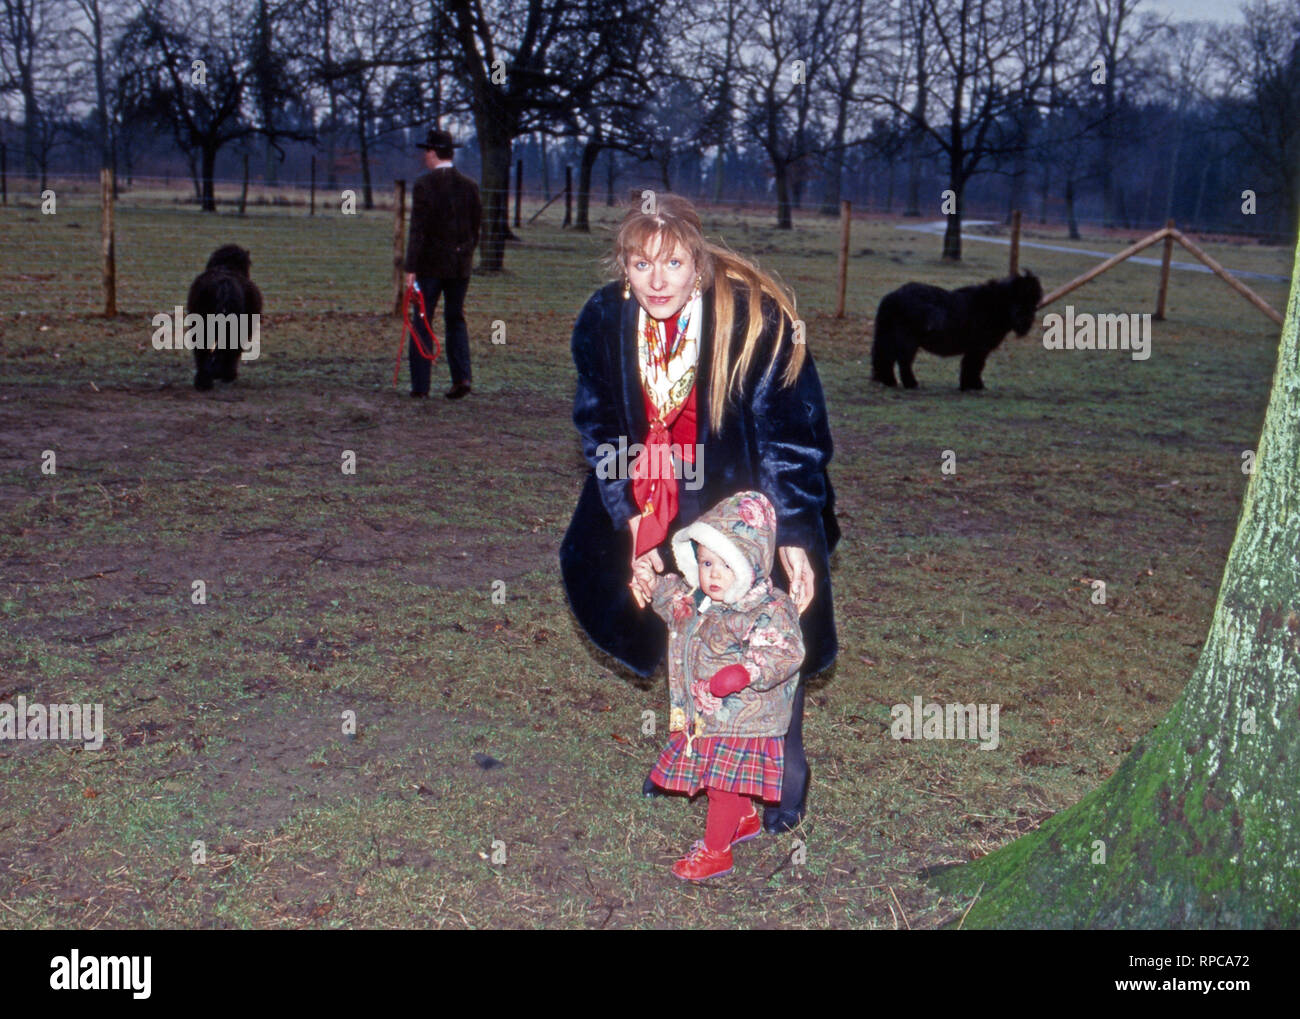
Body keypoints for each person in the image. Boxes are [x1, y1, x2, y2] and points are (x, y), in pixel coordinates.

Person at [560, 193, 839, 832]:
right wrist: (631, 518)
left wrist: (794, 533)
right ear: (622, 268)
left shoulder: (754, 319)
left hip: (746, 499)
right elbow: (601, 429)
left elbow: (789, 437)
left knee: (764, 628)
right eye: (639, 265)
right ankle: (697, 760)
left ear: (700, 265)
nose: (657, 281)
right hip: (653, 495)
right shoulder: (605, 319)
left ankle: (780, 768)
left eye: (674, 264)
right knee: (687, 629)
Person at [641, 491, 805, 880]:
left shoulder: (768, 608)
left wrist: (747, 671)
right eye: (705, 562)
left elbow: (785, 650)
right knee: (726, 780)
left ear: (749, 565)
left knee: (722, 787)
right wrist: (653, 584)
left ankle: (717, 852)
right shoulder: (700, 600)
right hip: (710, 717)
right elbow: (673, 602)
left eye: (723, 565)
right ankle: (746, 818)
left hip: (747, 718)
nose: (711, 574)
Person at [403, 128, 482, 400]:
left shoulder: (424, 186)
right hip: (460, 267)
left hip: (429, 267)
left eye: (427, 150)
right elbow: (476, 228)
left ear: (434, 153)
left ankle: (420, 385)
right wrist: (465, 253)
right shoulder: (470, 186)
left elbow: (418, 230)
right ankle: (462, 377)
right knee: (455, 318)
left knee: (422, 320)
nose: (424, 156)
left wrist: (410, 268)